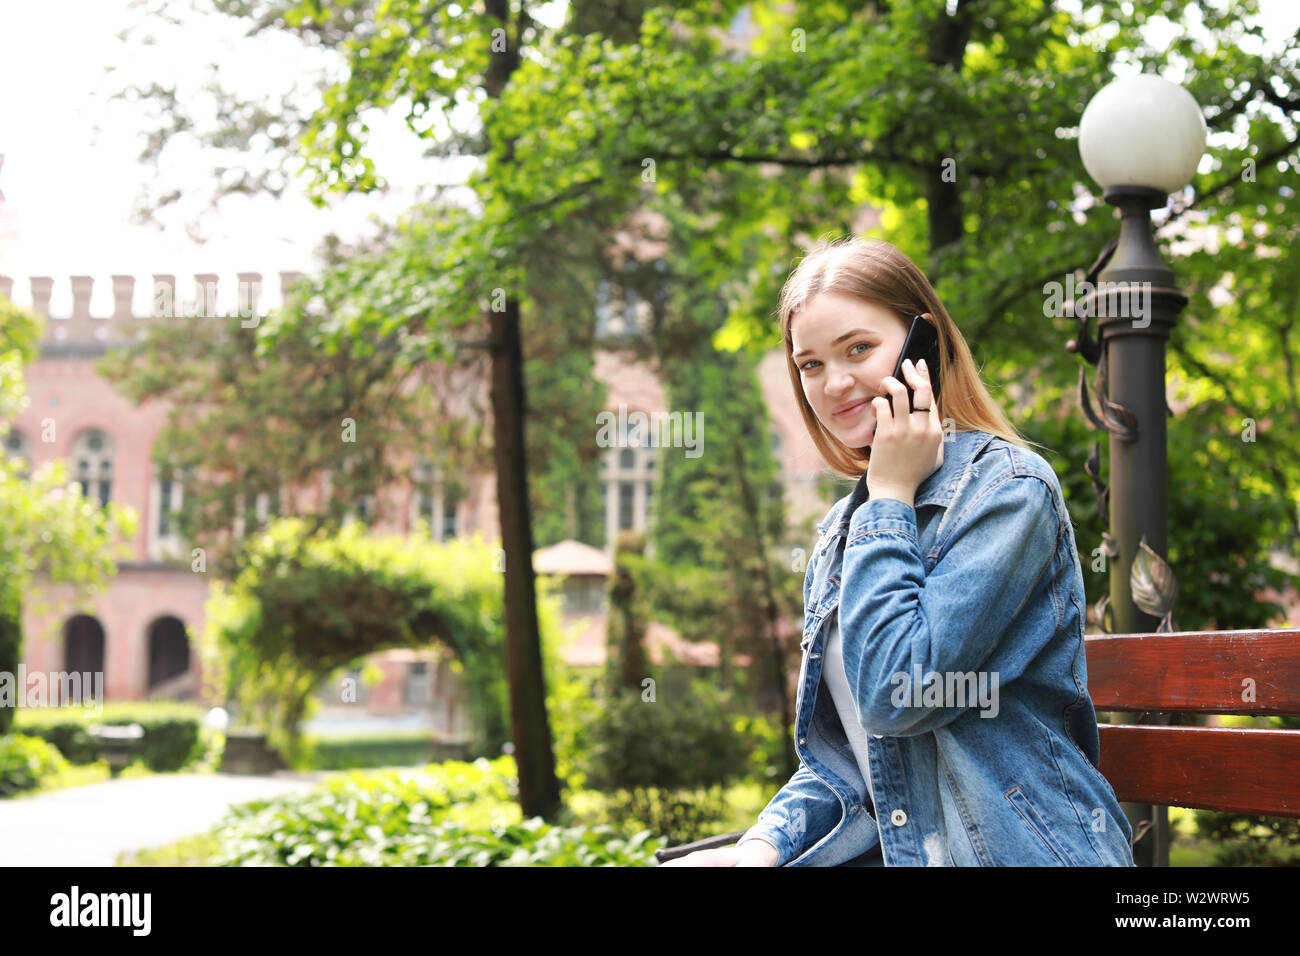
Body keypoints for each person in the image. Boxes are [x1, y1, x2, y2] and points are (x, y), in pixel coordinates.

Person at [661, 236, 1134, 867]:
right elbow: (848, 760)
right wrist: (757, 847)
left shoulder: (1009, 493)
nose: (835, 383)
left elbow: (896, 697)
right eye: (810, 365)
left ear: (924, 345)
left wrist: (888, 493)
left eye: (858, 348)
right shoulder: (844, 531)